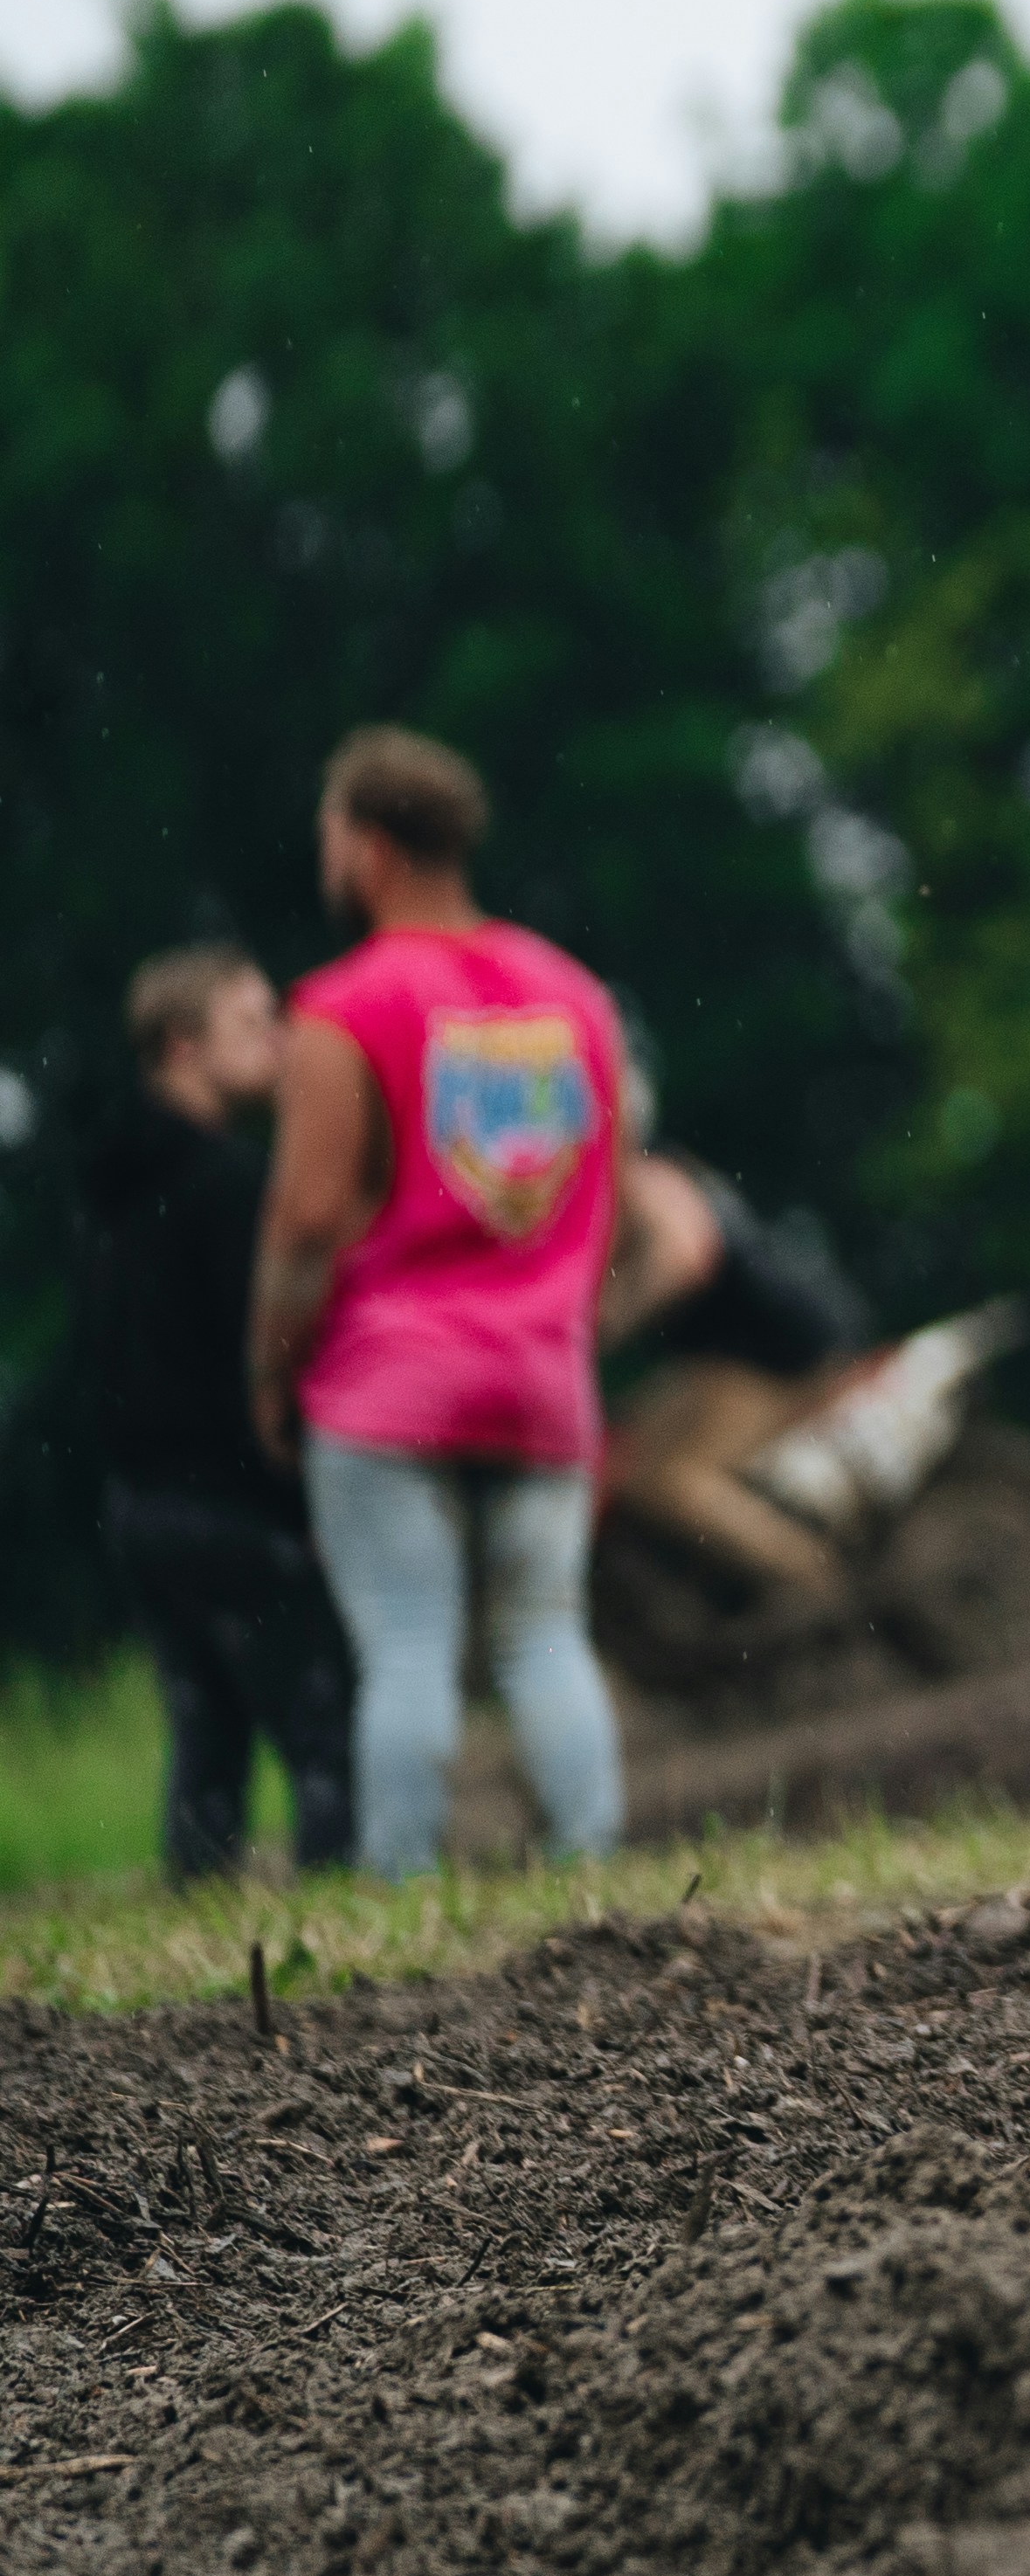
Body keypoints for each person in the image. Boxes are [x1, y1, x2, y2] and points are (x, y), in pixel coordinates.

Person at [252, 728, 642, 1875]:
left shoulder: (341, 1007)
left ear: (368, 850)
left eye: (329, 835)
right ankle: (597, 1873)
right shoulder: (575, 997)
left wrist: (273, 1367)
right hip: (542, 1377)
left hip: (391, 1381)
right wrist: (572, 1331)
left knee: (410, 1647)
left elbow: (306, 1220)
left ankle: (399, 1895)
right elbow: (606, 1203)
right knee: (542, 1639)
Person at [79, 947, 355, 1880]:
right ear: (180, 1046)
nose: (281, 1041)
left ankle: (194, 1917)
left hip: (140, 1507)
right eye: (252, 1024)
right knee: (327, 1725)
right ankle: (344, 1917)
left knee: (208, 1736)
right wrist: (302, 1500)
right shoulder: (232, 1184)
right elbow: (263, 1356)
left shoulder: (110, 1188)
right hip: (231, 1499)